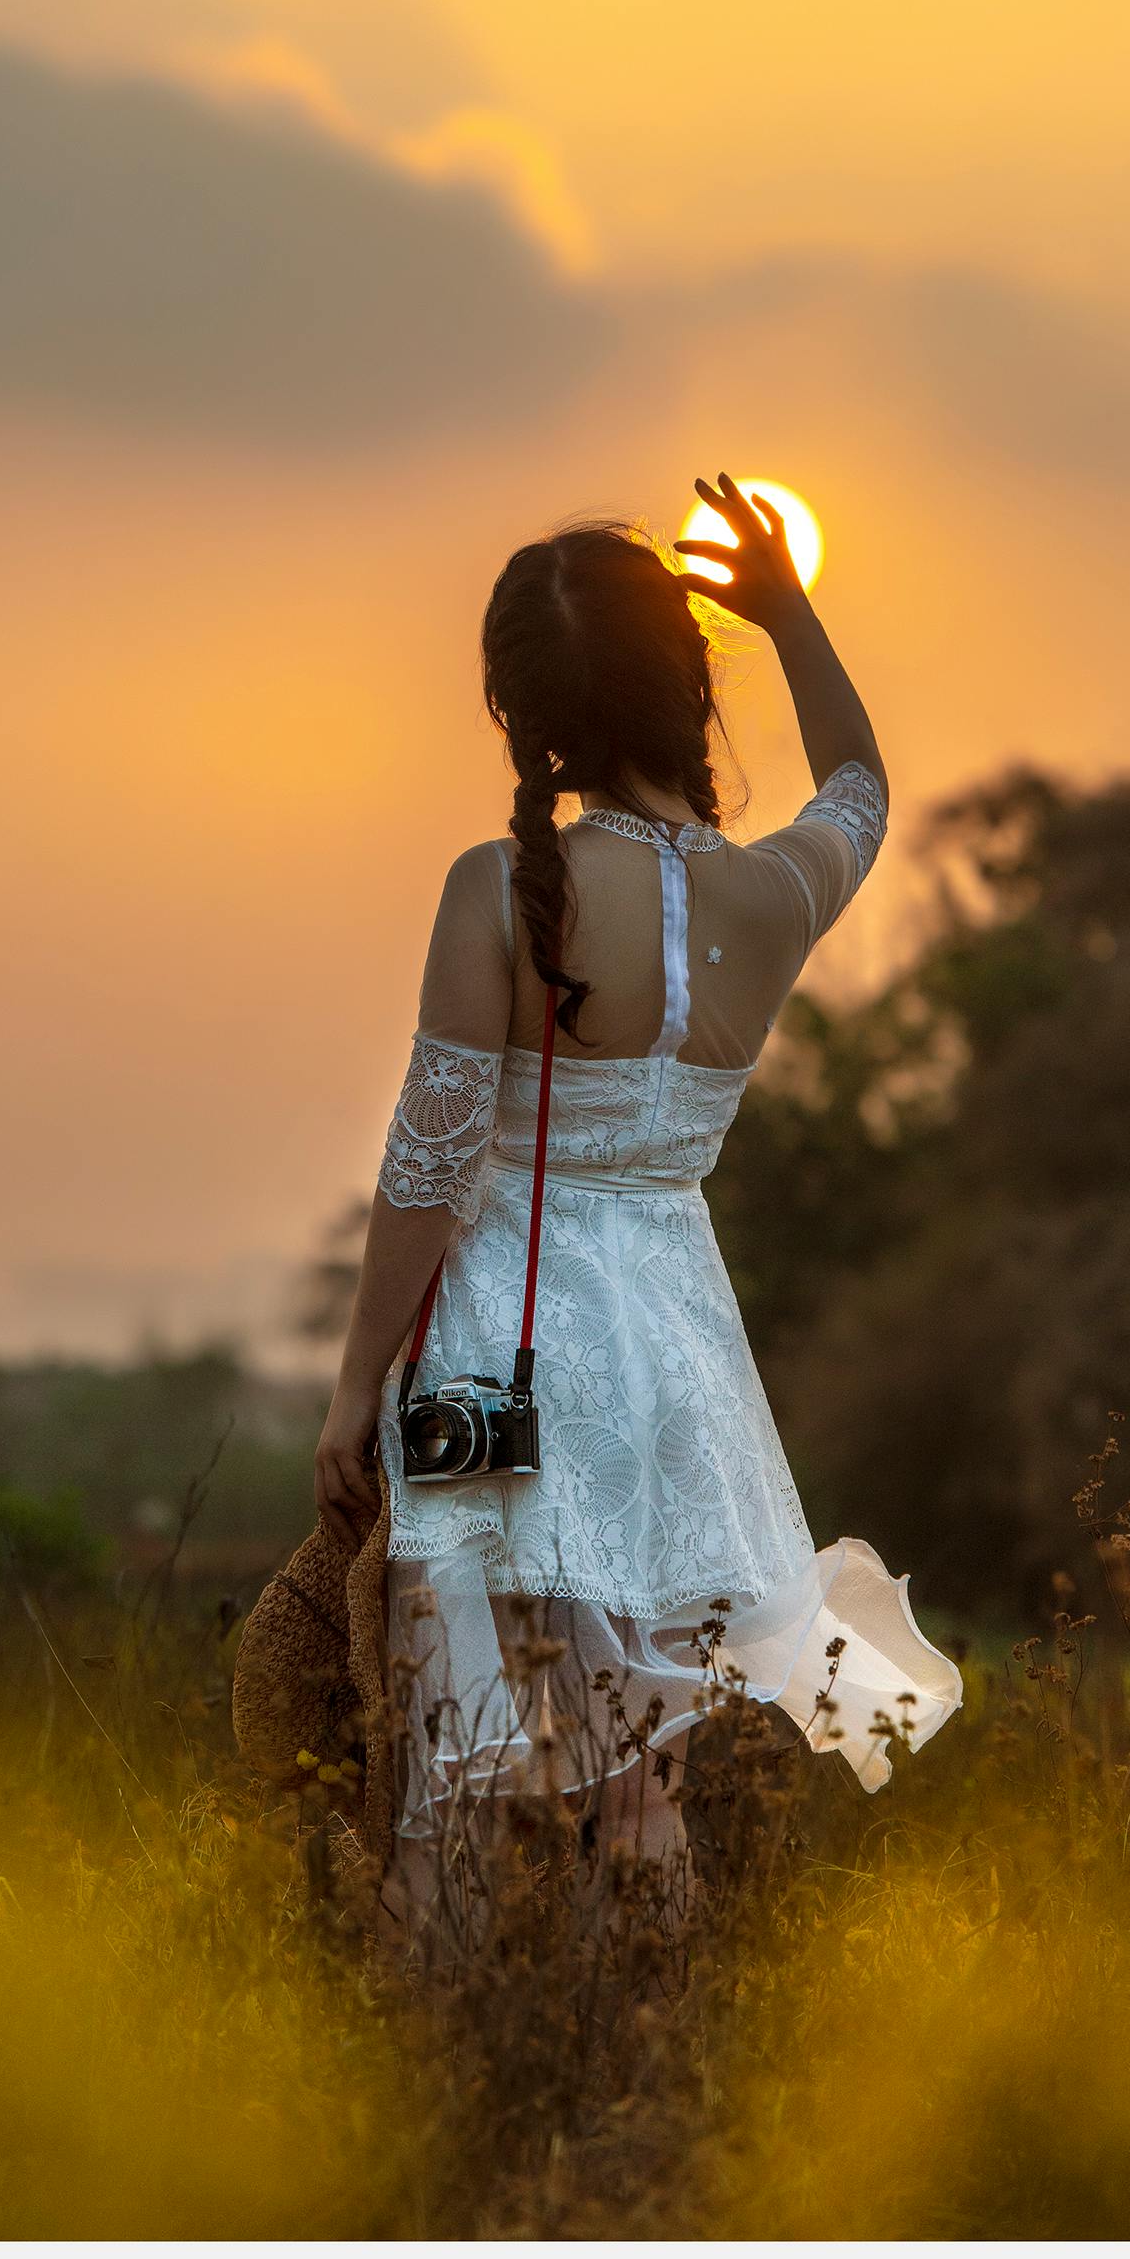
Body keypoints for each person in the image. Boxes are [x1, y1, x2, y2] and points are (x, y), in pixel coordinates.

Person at [313, 476, 962, 1906]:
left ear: (524, 716)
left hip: (505, 1358)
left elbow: (430, 1166)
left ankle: (461, 2091)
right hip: (680, 1366)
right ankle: (638, 2093)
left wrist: (356, 1383)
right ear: (689, 682)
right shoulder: (779, 893)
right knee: (640, 1798)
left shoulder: (499, 887)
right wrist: (791, 616)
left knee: (456, 1777)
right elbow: (860, 787)